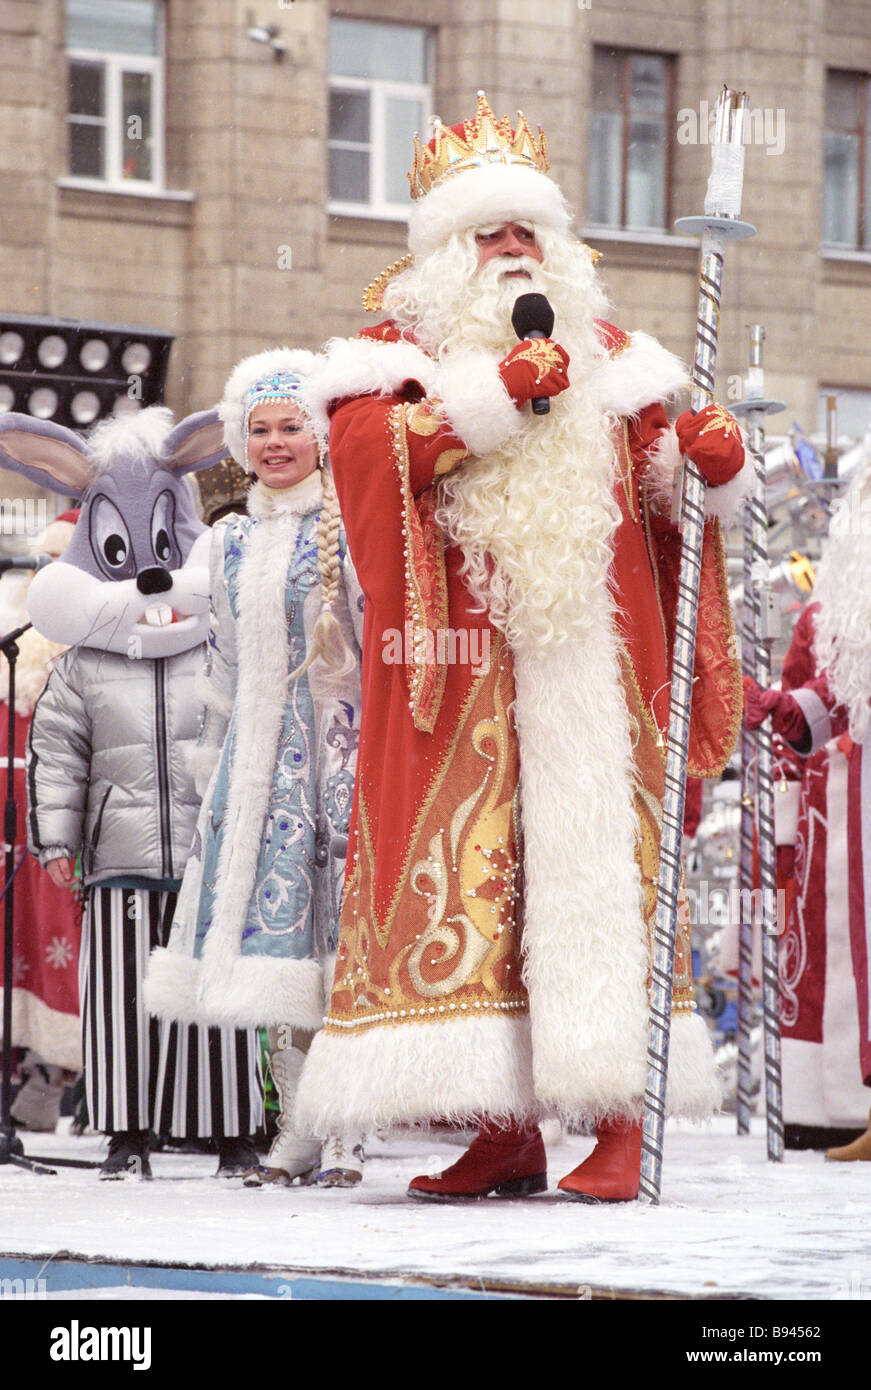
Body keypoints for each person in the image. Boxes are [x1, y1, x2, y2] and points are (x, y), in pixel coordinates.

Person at [295, 92, 747, 1202]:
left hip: (589, 670)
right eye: (484, 231)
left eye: (522, 230)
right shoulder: (393, 351)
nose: (509, 248)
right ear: (443, 248)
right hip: (460, 671)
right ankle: (501, 1131)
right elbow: (364, 460)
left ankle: (617, 1126)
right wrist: (492, 396)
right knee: (480, 895)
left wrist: (706, 460)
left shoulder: (615, 355)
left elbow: (666, 487)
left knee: (597, 891)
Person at [7, 405, 265, 1179]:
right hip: (116, 859)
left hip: (207, 853)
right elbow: (57, 752)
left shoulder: (221, 644)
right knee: (120, 999)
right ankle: (127, 1130)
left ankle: (231, 1130)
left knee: (213, 997)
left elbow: (251, 736)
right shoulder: (84, 661)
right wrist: (56, 839)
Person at [145, 351, 365, 1187]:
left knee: (341, 947)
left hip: (339, 758)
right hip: (257, 766)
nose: (276, 444)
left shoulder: (349, 523)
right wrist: (217, 768)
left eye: (291, 427)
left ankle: (348, 1133)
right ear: (240, 442)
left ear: (319, 435)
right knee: (274, 956)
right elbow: (224, 666)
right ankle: (297, 1129)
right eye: (260, 431)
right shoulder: (228, 537)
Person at [745, 457, 871, 1161]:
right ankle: (847, 1106)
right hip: (840, 803)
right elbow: (835, 689)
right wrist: (784, 711)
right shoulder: (840, 612)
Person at [0, 513, 81, 1131]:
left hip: (66, 829)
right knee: (18, 945)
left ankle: (69, 1077)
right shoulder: (16, 648)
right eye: (42, 567)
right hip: (11, 831)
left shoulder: (88, 648)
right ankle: (30, 1077)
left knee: (68, 947)